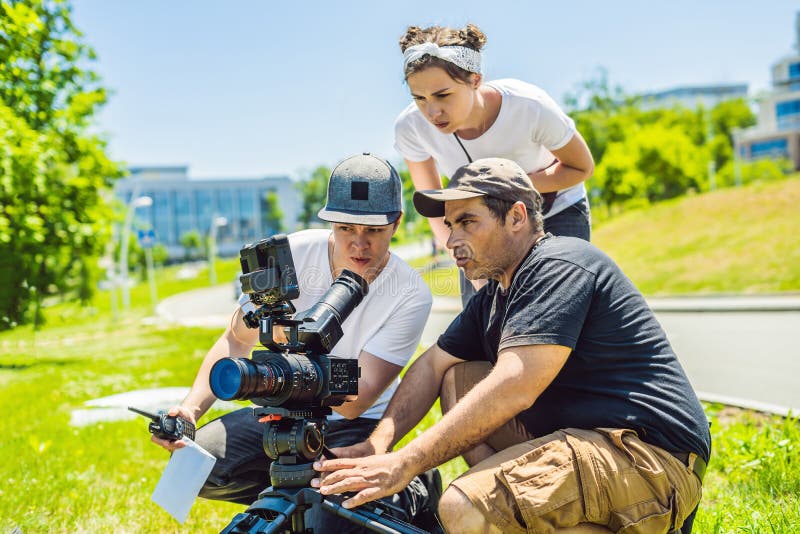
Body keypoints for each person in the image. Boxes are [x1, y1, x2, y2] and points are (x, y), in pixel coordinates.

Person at [313, 158, 711, 533]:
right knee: (458, 377)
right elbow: (431, 365)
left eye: (468, 222)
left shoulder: (559, 264)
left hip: (648, 458)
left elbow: (516, 384)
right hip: (585, 444)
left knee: (462, 507)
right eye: (450, 225)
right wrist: (379, 444)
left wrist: (406, 463)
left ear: (517, 216)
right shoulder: (497, 293)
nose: (453, 240)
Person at [152, 153, 438, 531]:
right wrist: (190, 410)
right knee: (197, 467)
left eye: (374, 231)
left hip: (355, 424)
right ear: (329, 222)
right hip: (283, 410)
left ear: (397, 223)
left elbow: (357, 400)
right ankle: (296, 502)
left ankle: (409, 491)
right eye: (346, 228)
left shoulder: (410, 293)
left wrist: (292, 347)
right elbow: (235, 342)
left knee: (337, 518)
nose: (359, 244)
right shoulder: (295, 254)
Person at [394, 23, 595, 304]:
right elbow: (435, 204)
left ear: (475, 79)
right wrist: (461, 254)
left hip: (554, 212)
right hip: (479, 227)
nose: (432, 111)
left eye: (443, 95)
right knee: (481, 322)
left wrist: (506, 189)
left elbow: (581, 167)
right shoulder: (411, 127)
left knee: (552, 312)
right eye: (419, 98)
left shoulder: (529, 105)